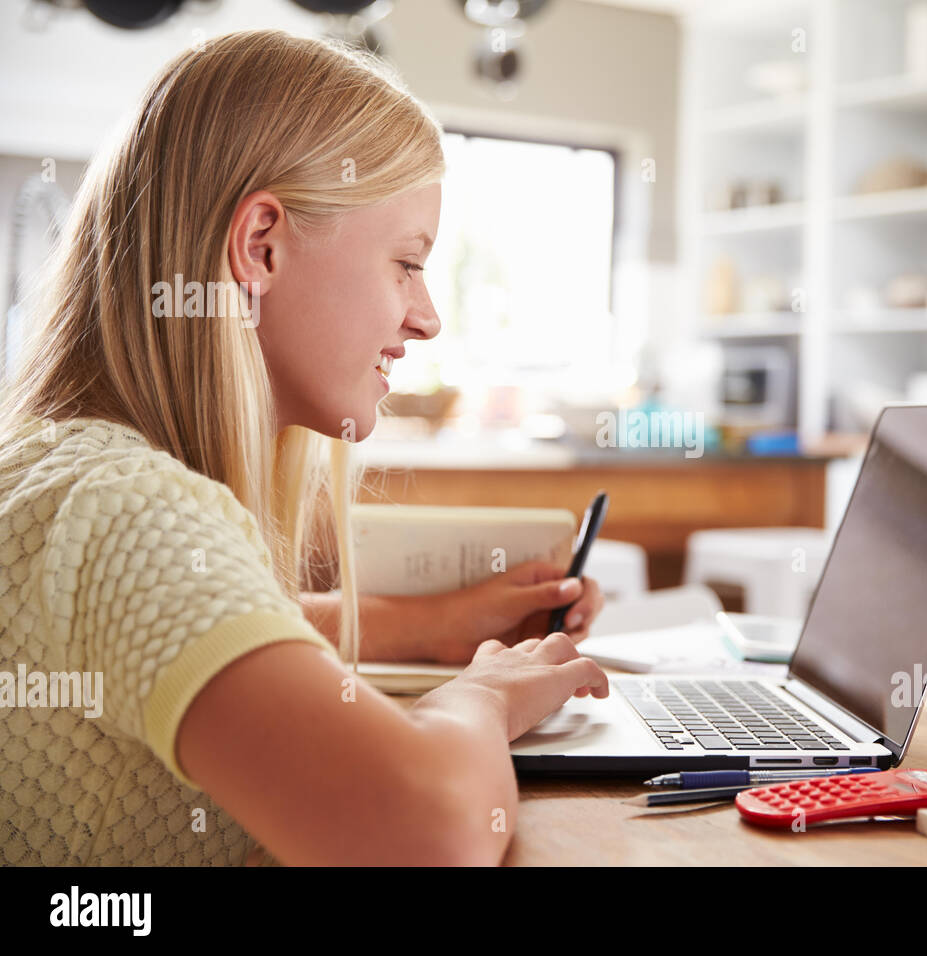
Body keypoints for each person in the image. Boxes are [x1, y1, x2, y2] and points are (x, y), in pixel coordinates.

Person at [0, 29, 609, 867]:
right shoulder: (129, 512)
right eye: (406, 263)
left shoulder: (59, 474)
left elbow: (187, 626)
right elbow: (424, 835)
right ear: (262, 246)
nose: (427, 317)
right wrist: (481, 699)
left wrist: (435, 628)